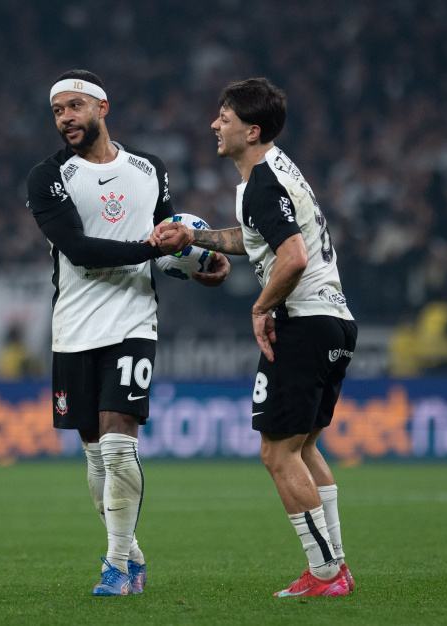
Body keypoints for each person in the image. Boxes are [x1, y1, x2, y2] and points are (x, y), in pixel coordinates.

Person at [26, 70, 229, 596]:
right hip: (73, 328)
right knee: (95, 455)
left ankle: (115, 565)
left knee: (118, 446)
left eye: (74, 106)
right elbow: (82, 251)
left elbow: (169, 241)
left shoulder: (149, 170)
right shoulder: (47, 178)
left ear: (102, 107)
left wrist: (200, 261)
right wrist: (154, 251)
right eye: (57, 111)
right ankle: (132, 554)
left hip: (133, 322)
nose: (66, 118)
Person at [153, 77, 357, 598]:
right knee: (304, 446)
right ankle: (337, 568)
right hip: (334, 319)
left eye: (224, 117)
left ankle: (326, 573)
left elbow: (292, 257)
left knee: (277, 453)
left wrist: (262, 306)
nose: (214, 124)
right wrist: (194, 237)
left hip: (303, 321)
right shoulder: (275, 175)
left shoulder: (264, 182)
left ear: (253, 130)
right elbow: (256, 238)